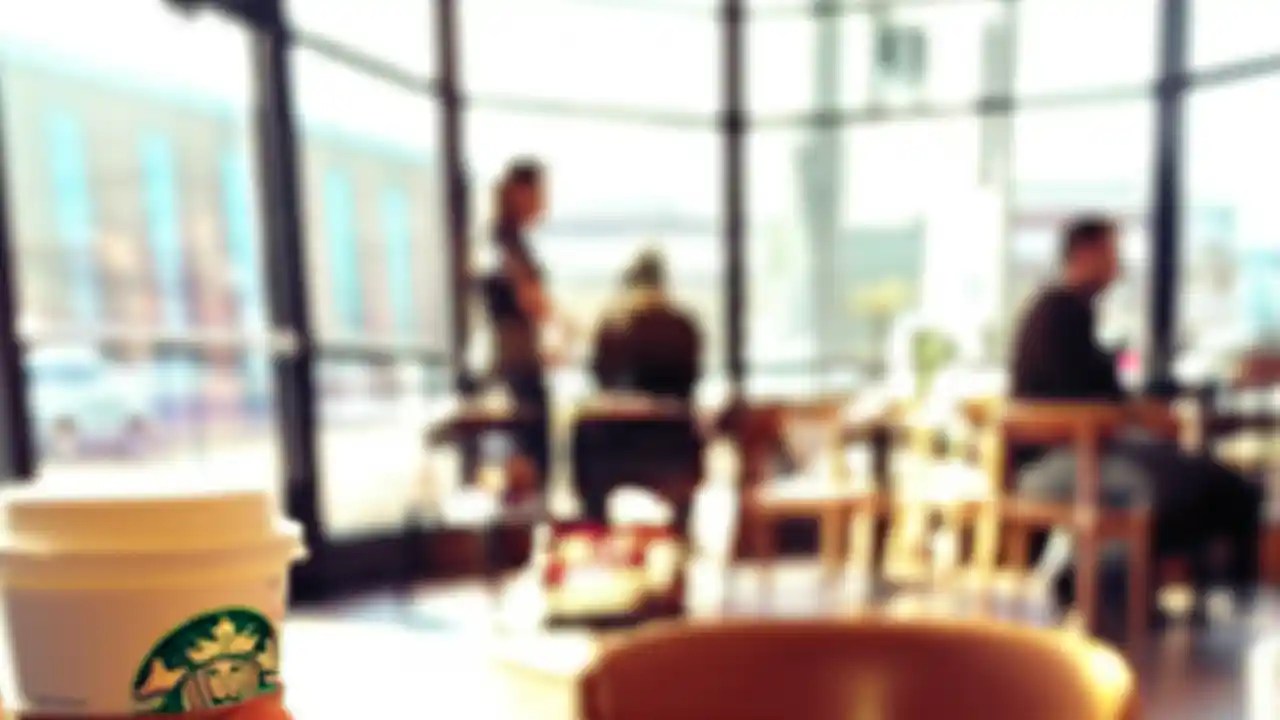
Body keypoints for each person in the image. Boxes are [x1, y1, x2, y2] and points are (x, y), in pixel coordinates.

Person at [1011, 215, 1260, 605]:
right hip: (1059, 460)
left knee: (1203, 479)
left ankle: (1115, 587)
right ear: (1085, 253)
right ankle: (1094, 584)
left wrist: (1140, 415)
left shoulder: (1069, 313)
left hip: (1081, 451)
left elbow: (1097, 397)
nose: (1119, 266)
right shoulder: (1058, 314)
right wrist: (1134, 417)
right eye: (1112, 253)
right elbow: (1074, 404)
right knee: (1178, 486)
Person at [575, 251, 704, 528]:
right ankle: (680, 534)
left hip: (612, 442)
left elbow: (599, 380)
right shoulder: (683, 325)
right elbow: (692, 381)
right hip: (671, 440)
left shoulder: (611, 324)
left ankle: (594, 526)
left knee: (581, 429)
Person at [481, 159, 555, 491]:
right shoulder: (507, 246)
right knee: (525, 466)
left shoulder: (502, 242)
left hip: (511, 362)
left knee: (522, 461)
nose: (544, 202)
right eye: (540, 192)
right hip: (516, 365)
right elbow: (534, 303)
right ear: (521, 193)